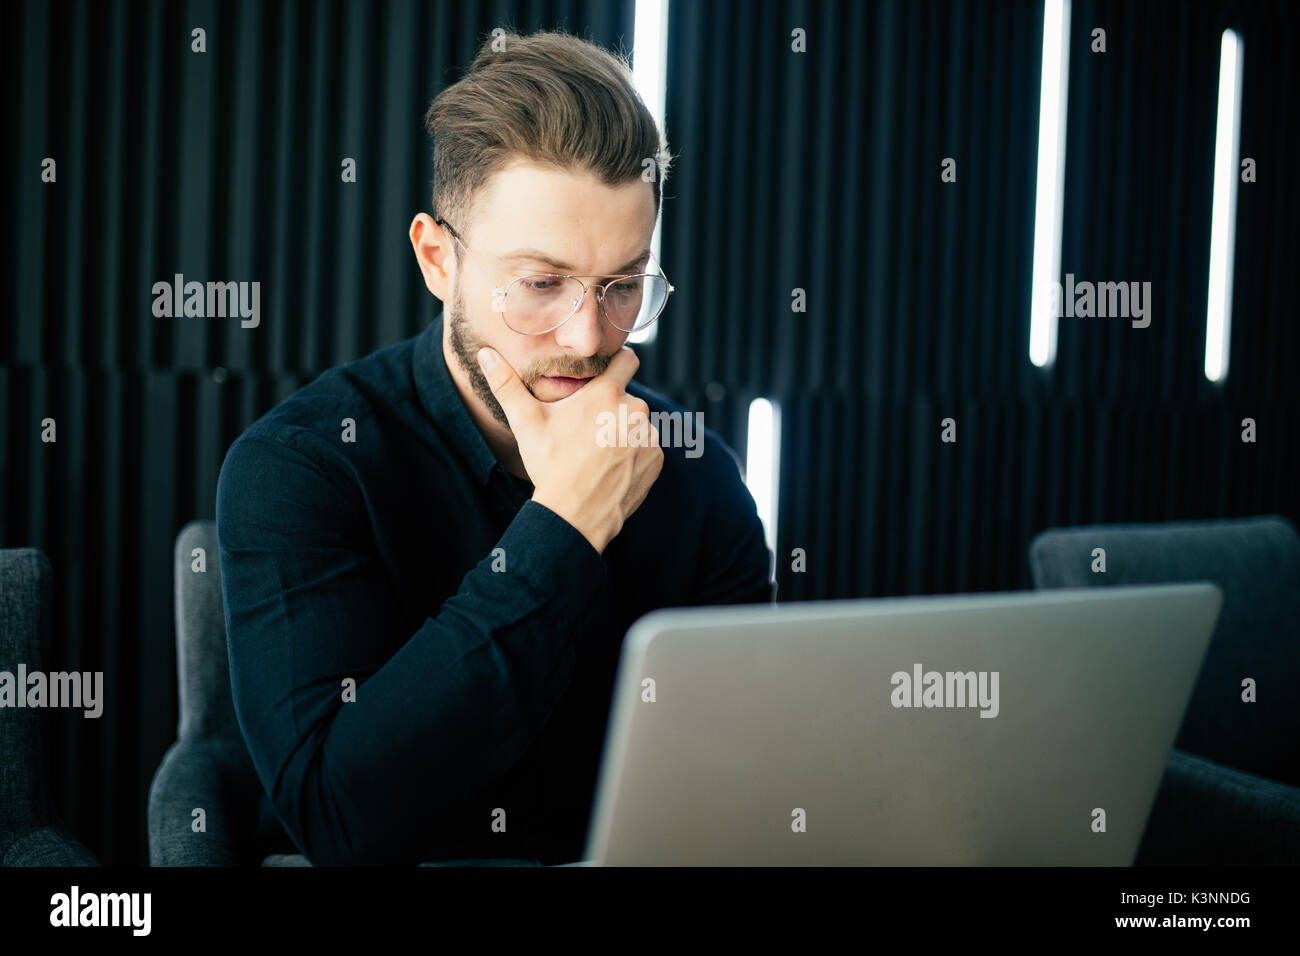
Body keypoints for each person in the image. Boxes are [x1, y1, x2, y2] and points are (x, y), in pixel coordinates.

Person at [216, 29, 775, 867]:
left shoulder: (696, 472)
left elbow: (748, 783)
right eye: (542, 284)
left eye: (624, 285)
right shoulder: (299, 468)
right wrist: (564, 527)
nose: (588, 336)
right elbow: (337, 818)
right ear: (439, 260)